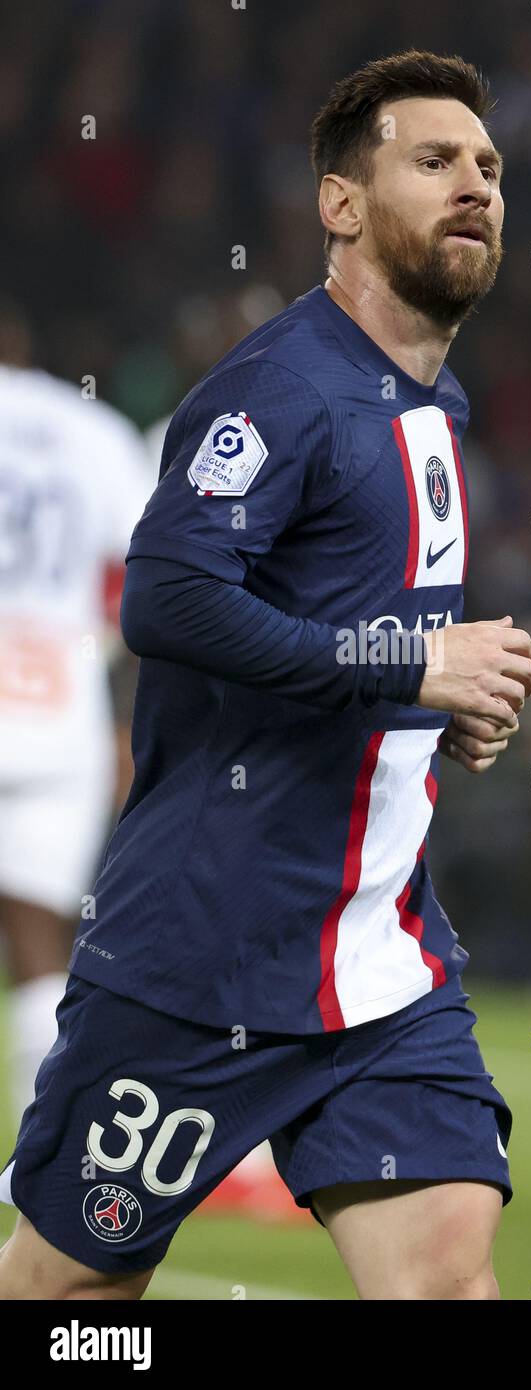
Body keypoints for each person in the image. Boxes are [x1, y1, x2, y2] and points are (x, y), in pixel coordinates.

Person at [0, 49, 531, 1301]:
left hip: (381, 957)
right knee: (68, 1296)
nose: (475, 184)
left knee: (445, 1282)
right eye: (433, 160)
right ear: (339, 206)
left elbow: (351, 636)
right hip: (207, 957)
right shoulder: (276, 390)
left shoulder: (435, 402)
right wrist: (409, 668)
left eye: (489, 167)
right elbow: (173, 598)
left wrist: (440, 709)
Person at [0, 299, 151, 1129]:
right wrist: (122, 712)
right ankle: (39, 1160)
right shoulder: (93, 432)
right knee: (37, 941)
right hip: (55, 712)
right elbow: (140, 589)